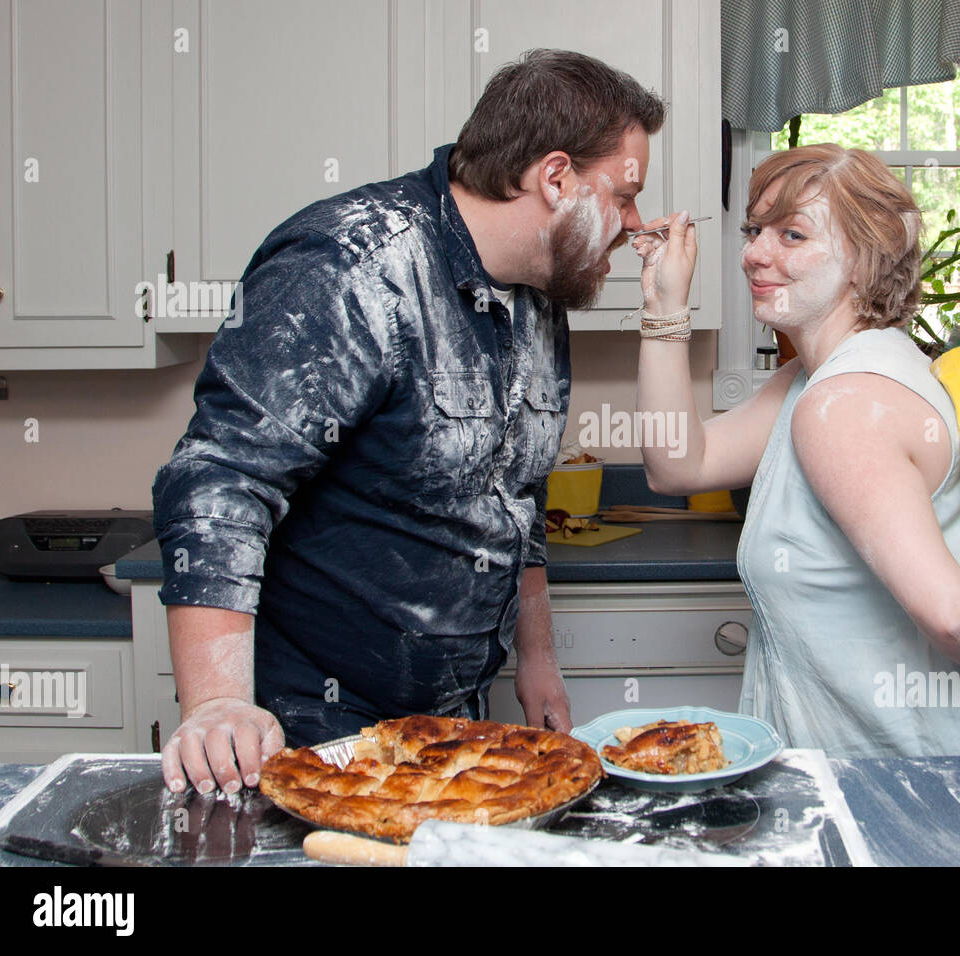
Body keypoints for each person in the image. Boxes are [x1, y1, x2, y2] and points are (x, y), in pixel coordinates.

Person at [153, 50, 665, 794]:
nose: (635, 223)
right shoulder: (352, 264)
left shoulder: (536, 290)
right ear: (555, 178)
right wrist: (217, 703)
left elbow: (516, 496)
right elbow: (221, 480)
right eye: (624, 196)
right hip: (310, 724)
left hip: (450, 720)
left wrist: (538, 659)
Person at [630, 143, 960, 758]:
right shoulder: (813, 380)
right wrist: (664, 305)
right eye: (755, 229)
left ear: (864, 259)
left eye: (792, 234)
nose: (754, 253)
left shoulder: (844, 404)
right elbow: (679, 463)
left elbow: (953, 614)